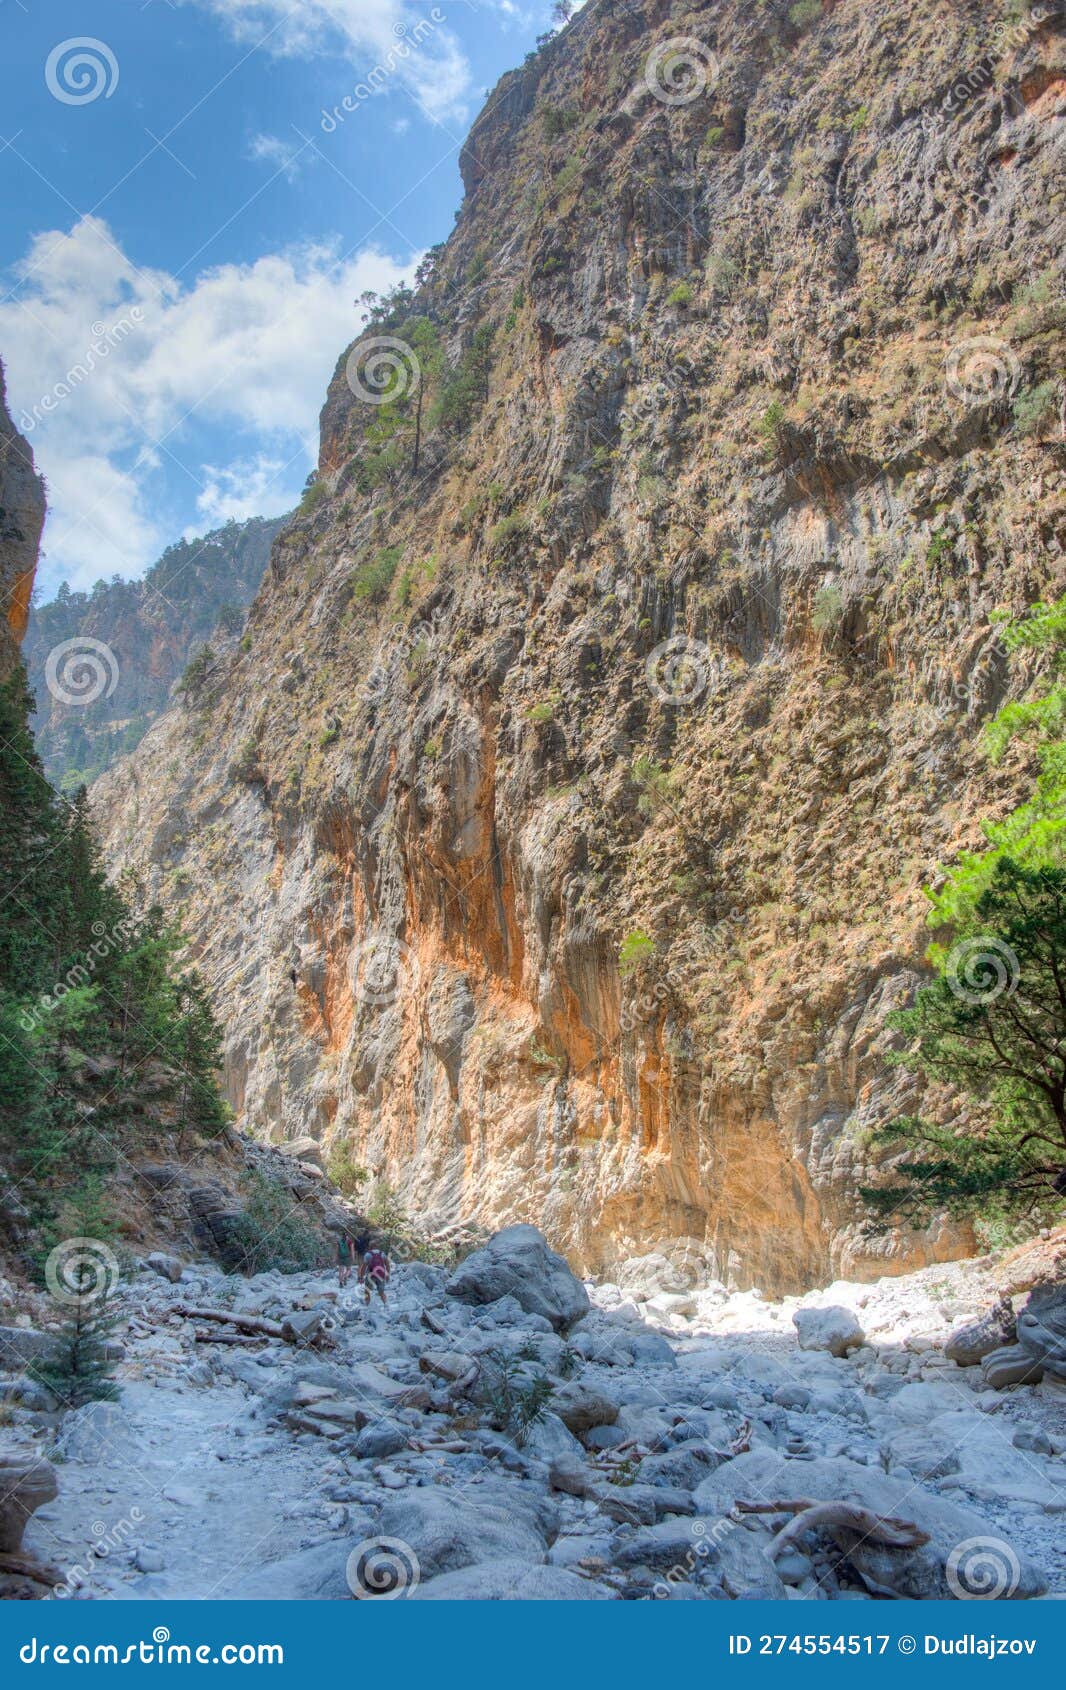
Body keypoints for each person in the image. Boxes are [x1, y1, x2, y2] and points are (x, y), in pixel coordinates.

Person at [357, 1233, 390, 1310]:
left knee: (367, 1291)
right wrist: (388, 1275)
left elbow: (363, 1267)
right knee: (381, 1292)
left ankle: (367, 1305)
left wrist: (361, 1277)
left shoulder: (368, 1254)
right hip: (381, 1275)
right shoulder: (382, 1254)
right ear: (377, 1246)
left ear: (370, 1246)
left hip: (371, 1275)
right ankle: (386, 1305)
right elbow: (387, 1265)